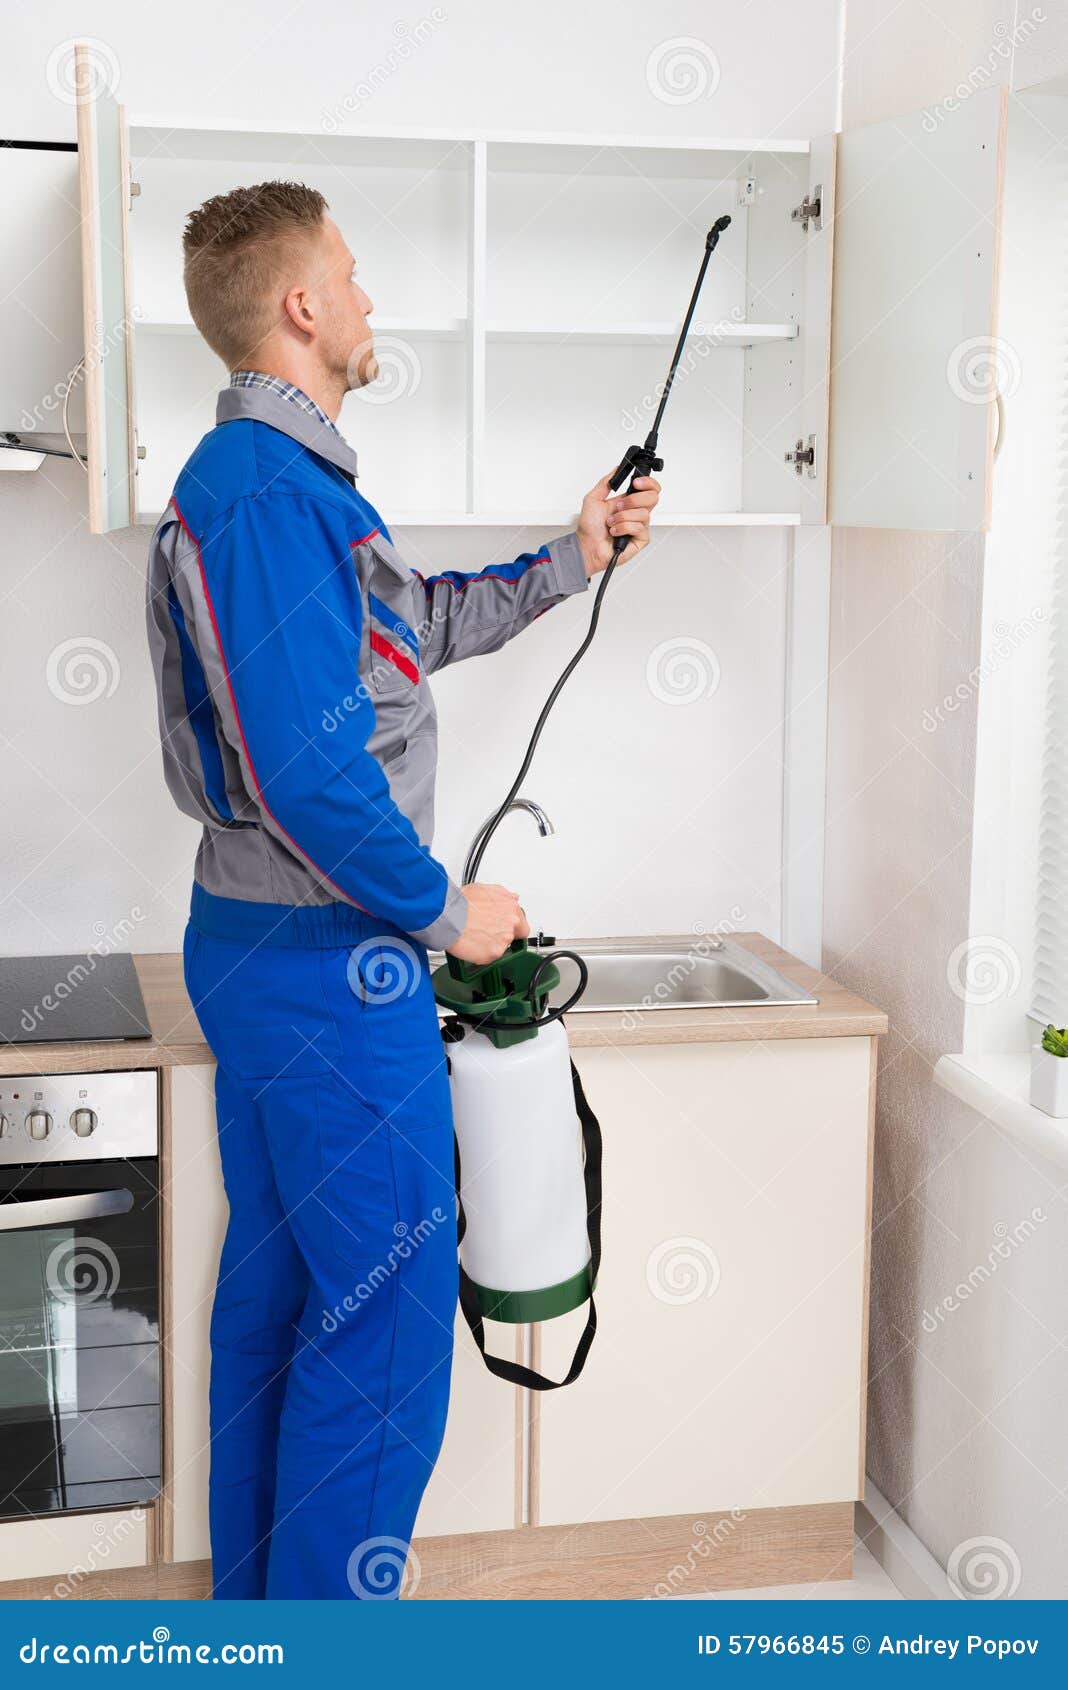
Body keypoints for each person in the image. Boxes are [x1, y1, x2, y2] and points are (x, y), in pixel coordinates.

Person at [145, 179, 660, 1599]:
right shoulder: (264, 495)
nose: (372, 301)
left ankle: (261, 1630)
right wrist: (446, 910)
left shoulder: (292, 491)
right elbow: (310, 776)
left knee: (284, 1297)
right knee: (382, 1332)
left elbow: (411, 629)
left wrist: (572, 558)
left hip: (272, 950)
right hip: (325, 962)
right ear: (302, 305)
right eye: (355, 276)